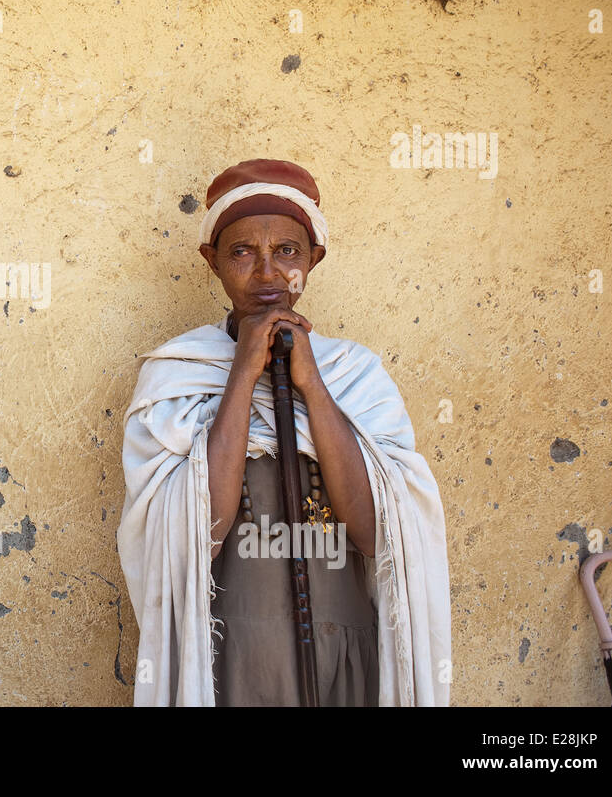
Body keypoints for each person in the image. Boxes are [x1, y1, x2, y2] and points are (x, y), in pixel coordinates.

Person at [117, 159, 450, 706]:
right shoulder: (177, 378)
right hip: (233, 663)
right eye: (243, 252)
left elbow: (377, 534)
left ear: (313, 259)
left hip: (345, 658)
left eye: (288, 252)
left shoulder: (355, 376)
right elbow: (195, 537)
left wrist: (312, 387)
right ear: (213, 262)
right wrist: (243, 376)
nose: (268, 274)